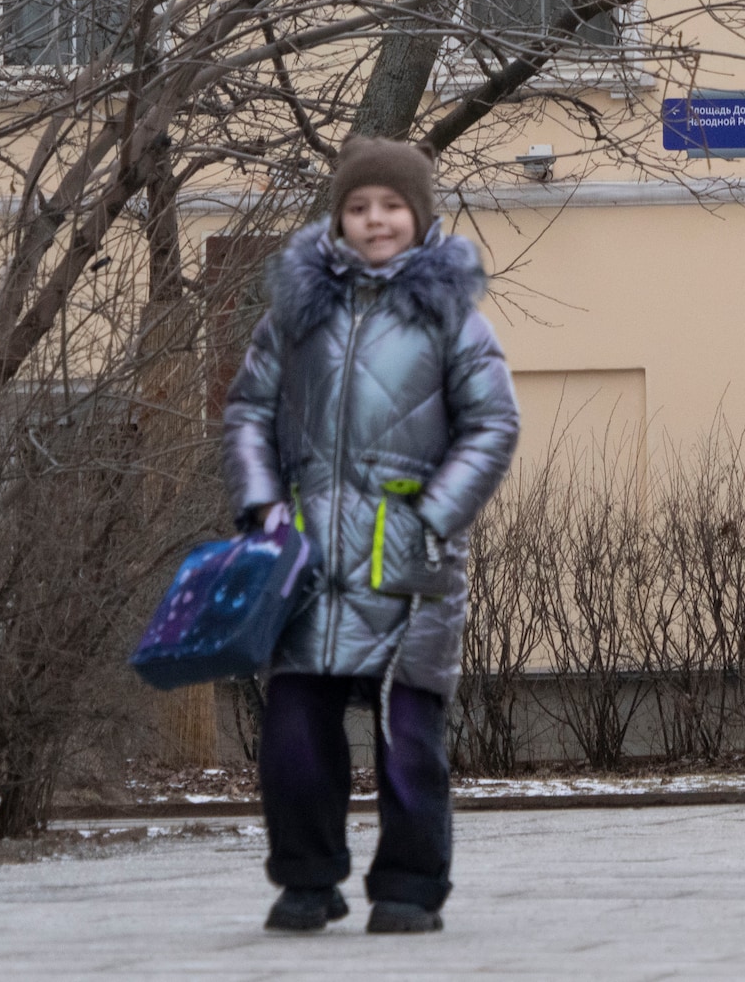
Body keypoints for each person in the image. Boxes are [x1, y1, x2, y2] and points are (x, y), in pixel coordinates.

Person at [224, 138, 521, 934]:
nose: (375, 220)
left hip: (410, 558)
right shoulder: (294, 314)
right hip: (306, 559)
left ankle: (410, 887)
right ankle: (306, 880)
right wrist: (261, 503)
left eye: (391, 206)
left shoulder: (451, 316)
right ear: (339, 217)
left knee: (408, 739)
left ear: (419, 217)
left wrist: (433, 515)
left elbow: (492, 424)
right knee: (292, 734)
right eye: (359, 207)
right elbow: (249, 412)